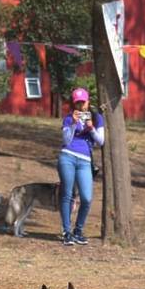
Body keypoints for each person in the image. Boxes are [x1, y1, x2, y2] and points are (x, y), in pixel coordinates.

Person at [58, 87, 105, 246]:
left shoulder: (97, 117)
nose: (80, 106)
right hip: (68, 157)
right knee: (67, 194)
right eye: (77, 103)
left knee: (86, 197)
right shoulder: (68, 118)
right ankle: (66, 232)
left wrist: (91, 128)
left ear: (88, 101)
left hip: (85, 160)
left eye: (83, 102)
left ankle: (78, 230)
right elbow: (65, 140)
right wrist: (73, 123)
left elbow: (101, 141)